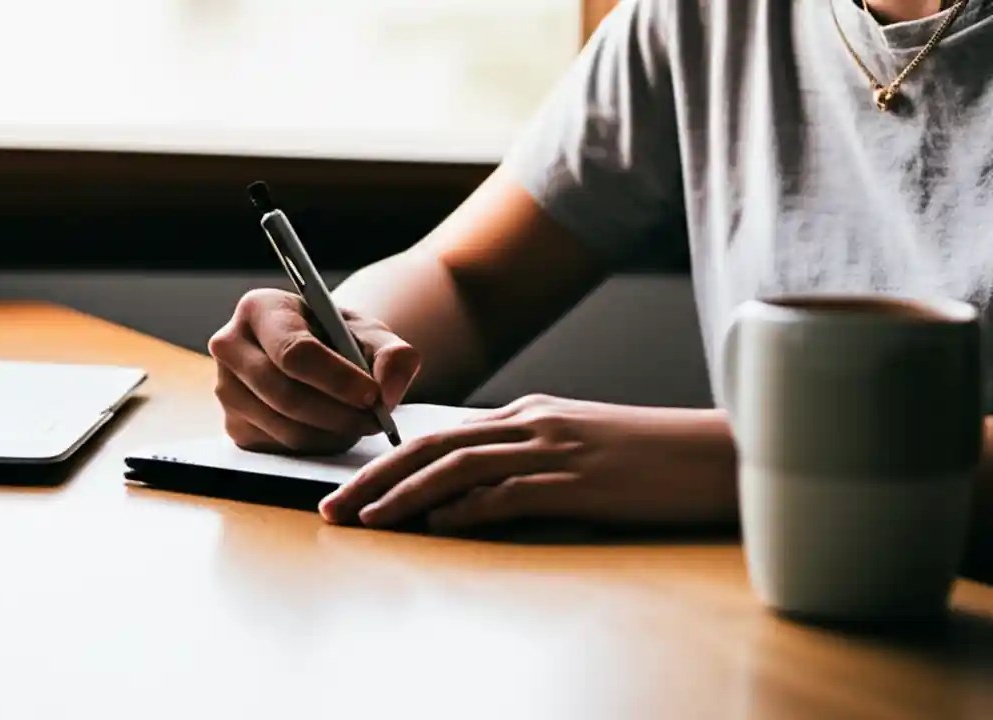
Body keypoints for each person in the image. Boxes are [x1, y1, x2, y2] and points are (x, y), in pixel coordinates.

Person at [207, 0, 993, 571]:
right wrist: (324, 352)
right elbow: (466, 281)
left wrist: (731, 462)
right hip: (780, 610)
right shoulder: (701, 19)